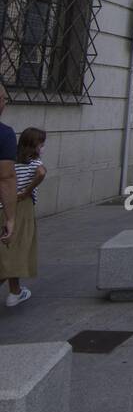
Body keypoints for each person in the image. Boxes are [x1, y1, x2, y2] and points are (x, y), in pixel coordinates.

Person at [1, 128, 46, 308]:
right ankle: (14, 292)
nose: (43, 148)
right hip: (20, 208)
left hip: (3, 205)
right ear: (34, 145)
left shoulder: (11, 160)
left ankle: (15, 291)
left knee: (9, 250)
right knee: (15, 251)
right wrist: (27, 191)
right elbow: (42, 173)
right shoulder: (34, 162)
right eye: (41, 144)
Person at [0, 85, 17, 256]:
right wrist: (10, 218)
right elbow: (6, 178)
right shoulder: (4, 134)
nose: (5, 103)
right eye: (4, 98)